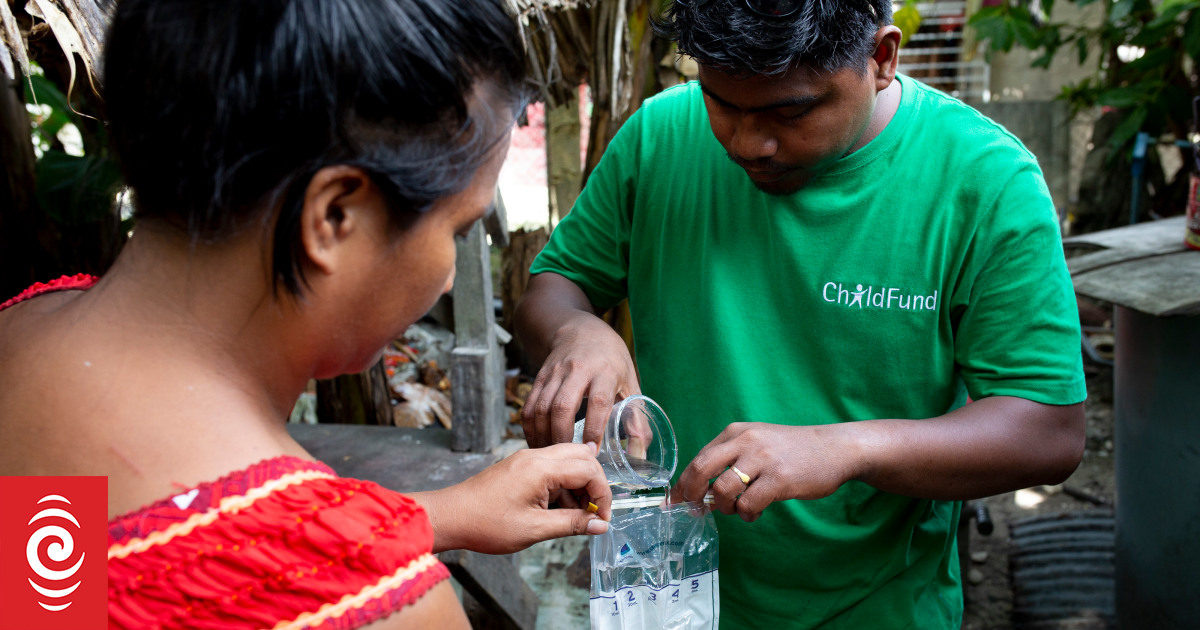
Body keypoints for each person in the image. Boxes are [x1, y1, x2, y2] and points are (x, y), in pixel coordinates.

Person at [0, 1, 614, 628]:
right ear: (334, 218)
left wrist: (436, 516)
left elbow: (56, 584)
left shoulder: (23, 347)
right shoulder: (373, 605)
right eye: (457, 228)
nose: (451, 273)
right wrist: (366, 549)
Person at [514, 0, 1087, 627]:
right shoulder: (658, 140)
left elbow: (1048, 431)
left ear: (881, 57)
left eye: (791, 110)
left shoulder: (984, 182)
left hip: (876, 607)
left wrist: (848, 448)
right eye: (720, 101)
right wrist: (579, 331)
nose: (745, 142)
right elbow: (551, 288)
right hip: (663, 599)